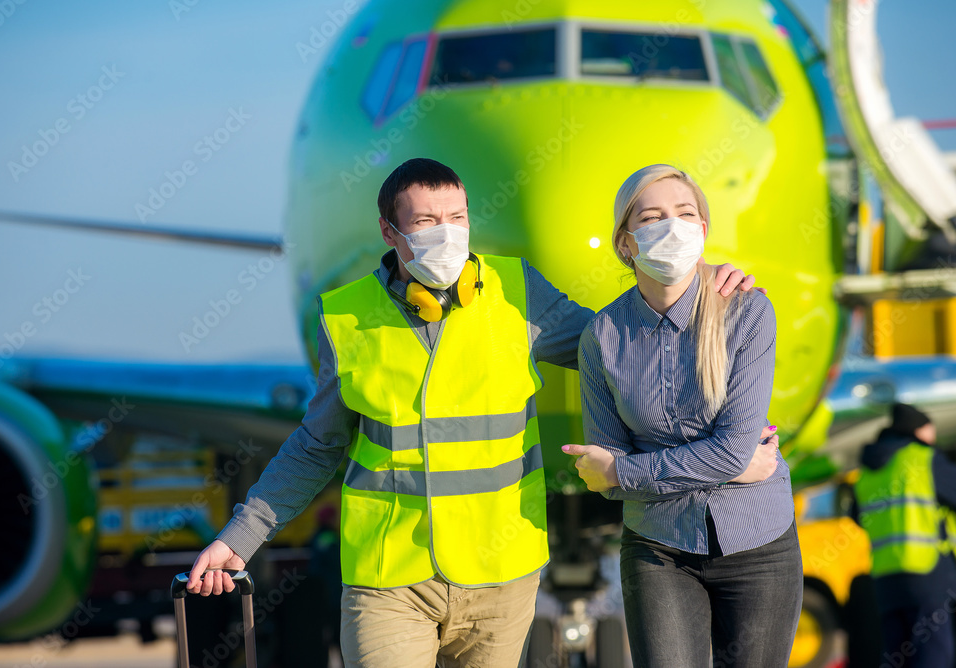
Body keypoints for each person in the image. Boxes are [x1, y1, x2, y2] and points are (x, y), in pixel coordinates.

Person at [185, 158, 760, 667]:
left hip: (501, 575)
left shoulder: (515, 292)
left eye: (457, 218)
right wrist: (241, 536)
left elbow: (626, 348)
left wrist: (700, 287)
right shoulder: (344, 317)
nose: (447, 235)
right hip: (390, 577)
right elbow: (317, 445)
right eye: (426, 223)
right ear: (389, 231)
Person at [564, 164, 802, 667]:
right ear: (626, 243)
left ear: (703, 229)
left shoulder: (748, 312)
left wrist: (628, 470)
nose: (672, 227)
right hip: (659, 549)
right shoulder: (601, 338)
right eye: (652, 217)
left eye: (685, 213)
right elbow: (603, 477)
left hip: (759, 544)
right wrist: (728, 464)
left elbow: (619, 470)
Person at [854, 402, 956, 668]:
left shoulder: (868, 469)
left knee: (896, 653)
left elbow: (857, 515)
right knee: (933, 652)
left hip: (885, 575)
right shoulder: (923, 458)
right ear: (920, 430)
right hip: (926, 571)